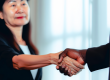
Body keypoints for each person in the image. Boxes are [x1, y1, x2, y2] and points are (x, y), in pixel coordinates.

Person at [0, 0, 84, 80]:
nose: (20, 10)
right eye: (13, 5)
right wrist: (53, 58)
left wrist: (66, 63)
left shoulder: (30, 47)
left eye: (23, 4)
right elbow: (17, 62)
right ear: (1, 14)